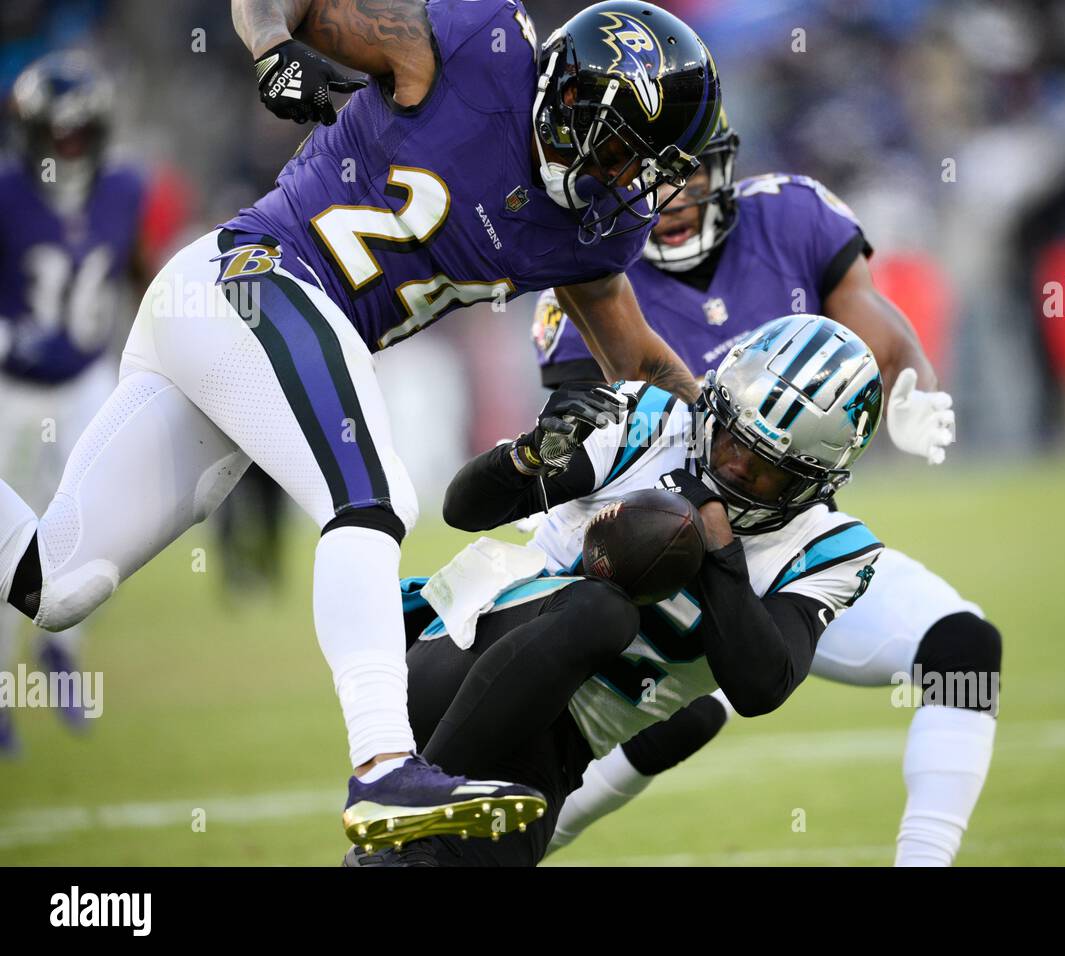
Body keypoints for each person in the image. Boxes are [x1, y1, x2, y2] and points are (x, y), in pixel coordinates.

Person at [0, 0, 720, 848]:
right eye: (622, 150)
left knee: (56, 586)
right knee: (372, 498)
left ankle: (387, 770)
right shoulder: (473, 54)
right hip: (256, 276)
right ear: (568, 99)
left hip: (241, 325)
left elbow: (634, 359)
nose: (629, 180)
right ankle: (384, 767)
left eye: (646, 165)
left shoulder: (590, 229)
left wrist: (721, 425)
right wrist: (273, 48)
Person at [535, 117, 1001, 866]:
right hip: (672, 555)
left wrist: (911, 380)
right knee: (678, 719)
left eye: (683, 172)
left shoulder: (792, 214)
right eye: (649, 177)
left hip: (791, 546)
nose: (671, 196)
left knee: (963, 649)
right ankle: (510, 847)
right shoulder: (592, 283)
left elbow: (874, 327)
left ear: (721, 167)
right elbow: (591, 448)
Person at [349, 314, 885, 865]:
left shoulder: (830, 550)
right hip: (461, 658)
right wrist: (526, 457)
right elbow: (464, 509)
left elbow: (759, 686)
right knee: (600, 610)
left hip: (552, 754)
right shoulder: (648, 422)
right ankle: (402, 795)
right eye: (730, 439)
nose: (733, 465)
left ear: (813, 482)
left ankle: (401, 836)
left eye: (764, 470)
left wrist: (714, 541)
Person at [0, 53, 157, 752]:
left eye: (78, 135)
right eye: (57, 137)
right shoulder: (7, 193)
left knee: (97, 523)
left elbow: (139, 272)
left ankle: (63, 650)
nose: (68, 150)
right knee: (8, 541)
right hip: (10, 385)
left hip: (89, 377)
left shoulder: (125, 186)